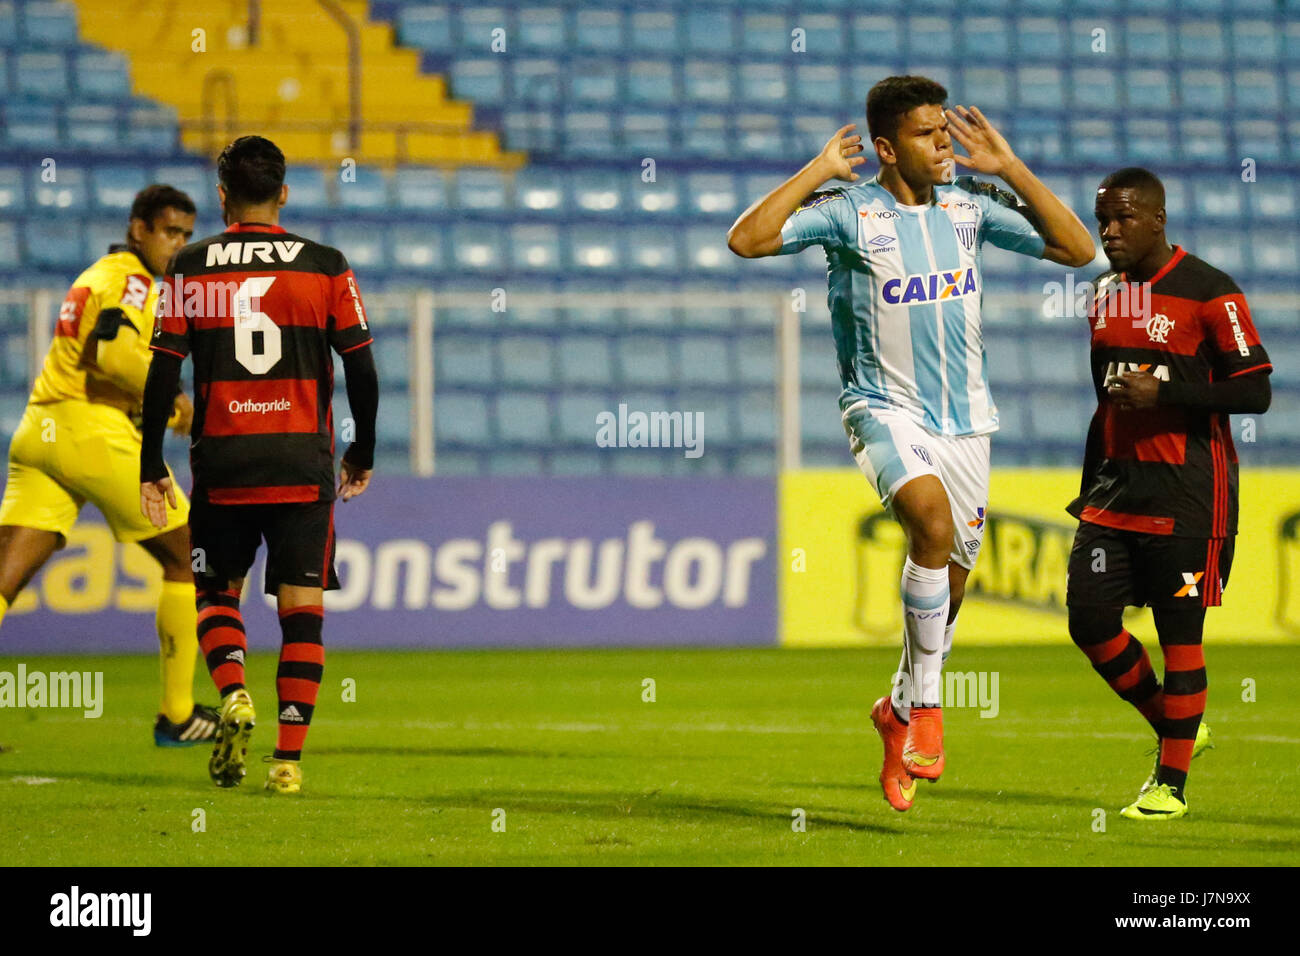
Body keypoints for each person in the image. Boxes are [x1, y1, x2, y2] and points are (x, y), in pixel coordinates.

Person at [727, 75, 1095, 812]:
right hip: (883, 409)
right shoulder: (850, 214)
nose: (944, 144)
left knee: (950, 587)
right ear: (889, 148)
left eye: (945, 130)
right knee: (928, 523)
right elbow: (749, 239)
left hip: (967, 423)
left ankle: (895, 709)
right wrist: (817, 172)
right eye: (929, 134)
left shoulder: (970, 208)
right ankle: (927, 703)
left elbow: (1078, 248)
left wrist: (1010, 167)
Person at [140, 135, 378, 794]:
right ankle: (288, 762)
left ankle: (235, 691)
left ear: (221, 199)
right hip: (302, 457)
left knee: (216, 593)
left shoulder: (189, 266)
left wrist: (149, 462)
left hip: (223, 458)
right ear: (284, 194)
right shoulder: (326, 264)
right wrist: (364, 450)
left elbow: (163, 370)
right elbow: (360, 365)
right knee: (302, 609)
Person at [1066, 167, 1271, 821]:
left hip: (1187, 495)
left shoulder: (1212, 293)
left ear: (1157, 219)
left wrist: (1170, 394)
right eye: (1103, 219)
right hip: (1114, 492)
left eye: (1124, 218)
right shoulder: (1104, 293)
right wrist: (1087, 483)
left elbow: (1254, 391)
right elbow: (1108, 402)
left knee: (1180, 636)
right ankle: (1175, 724)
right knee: (1089, 619)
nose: (1110, 231)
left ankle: (1170, 785)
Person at [0, 185, 217, 746]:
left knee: (5, 579)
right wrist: (172, 397)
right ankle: (176, 715)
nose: (178, 244)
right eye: (170, 231)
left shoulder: (99, 275)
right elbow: (114, 354)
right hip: (89, 429)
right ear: (138, 228)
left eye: (187, 234)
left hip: (40, 429)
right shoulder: (133, 280)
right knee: (189, 555)